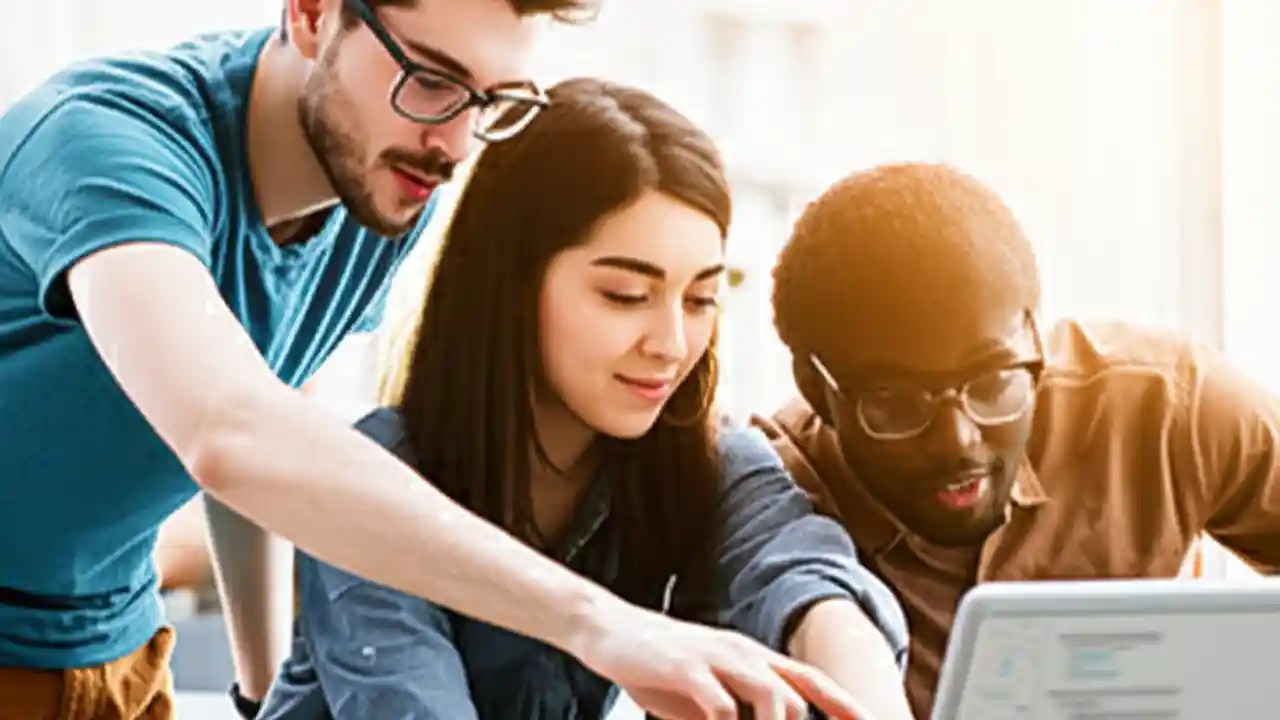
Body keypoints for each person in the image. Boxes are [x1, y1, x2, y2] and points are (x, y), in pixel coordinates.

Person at [0, 0, 877, 717]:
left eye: (493, 102)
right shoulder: (106, 147)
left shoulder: (382, 176)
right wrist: (600, 623)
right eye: (432, 80)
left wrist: (260, 683)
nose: (457, 145)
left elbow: (263, 417)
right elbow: (228, 430)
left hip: (112, 648)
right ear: (310, 13)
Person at [256, 76, 914, 720]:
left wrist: (864, 695)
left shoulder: (703, 460)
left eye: (701, 299)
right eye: (625, 296)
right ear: (511, 285)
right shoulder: (376, 479)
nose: (672, 343)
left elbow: (806, 579)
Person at [754, 162, 1280, 718]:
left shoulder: (1169, 405)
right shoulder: (772, 490)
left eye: (994, 381)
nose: (958, 440)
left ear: (1033, 333)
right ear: (816, 389)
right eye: (900, 401)